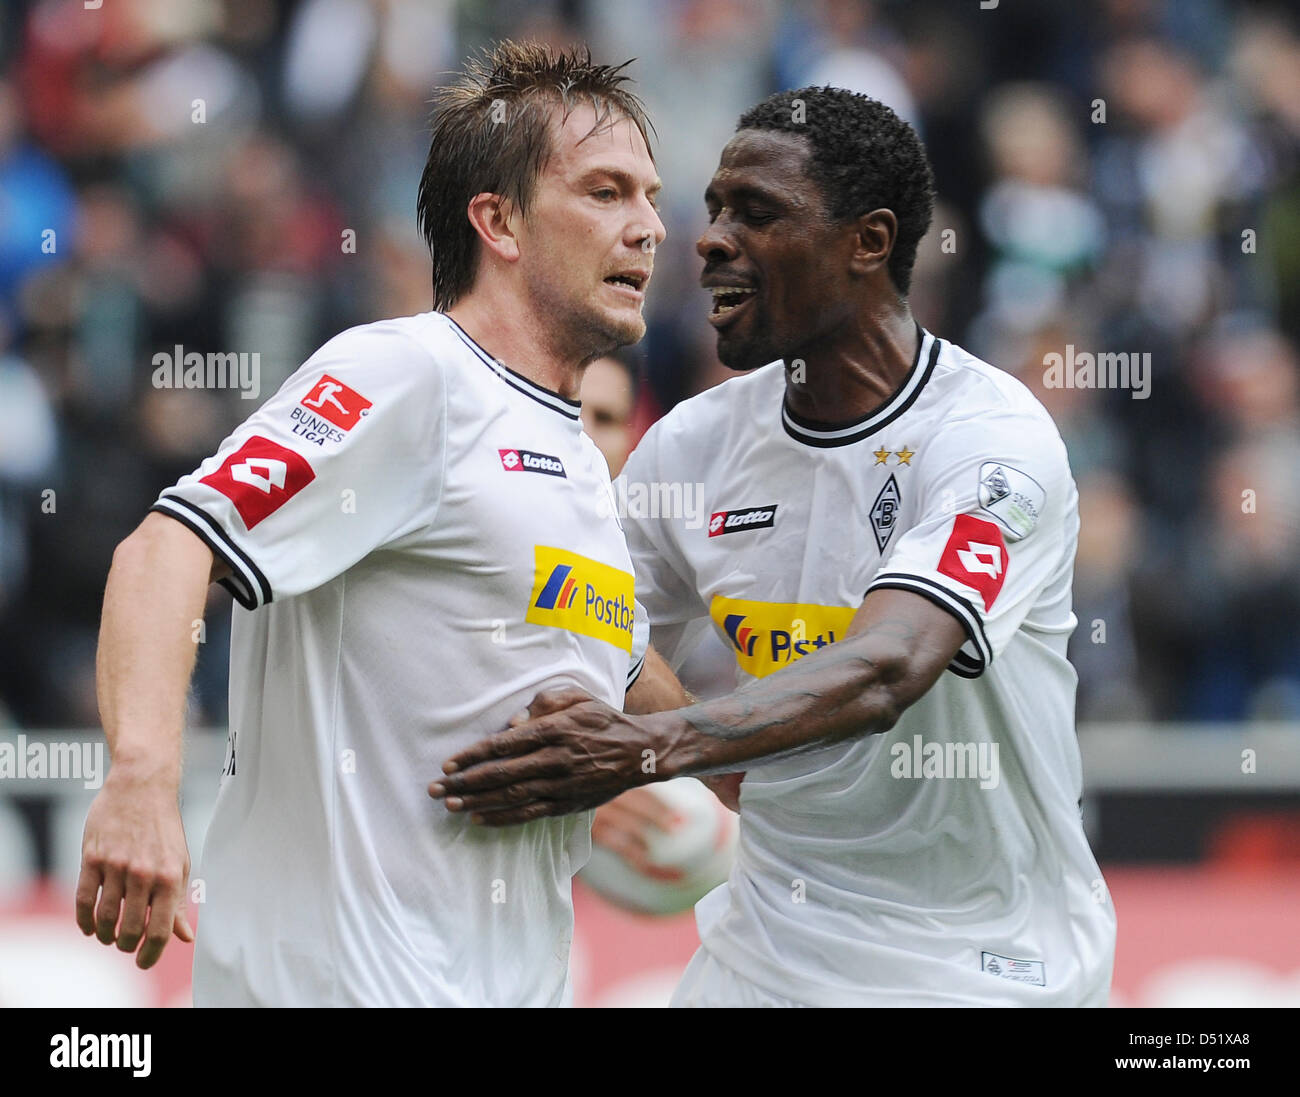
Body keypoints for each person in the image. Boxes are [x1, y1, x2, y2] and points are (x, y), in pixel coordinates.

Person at [430, 87, 1117, 1007]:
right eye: (714, 210)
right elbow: (591, 620)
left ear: (868, 242)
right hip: (764, 951)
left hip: (978, 964)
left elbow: (890, 664)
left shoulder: (993, 443)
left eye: (755, 213)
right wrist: (664, 748)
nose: (710, 240)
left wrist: (652, 747)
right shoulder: (693, 446)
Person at [76, 41, 681, 1007]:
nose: (649, 226)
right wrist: (142, 776)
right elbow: (168, 544)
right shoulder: (409, 374)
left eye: (650, 197)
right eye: (605, 192)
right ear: (499, 221)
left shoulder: (575, 459)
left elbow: (634, 676)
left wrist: (722, 766)